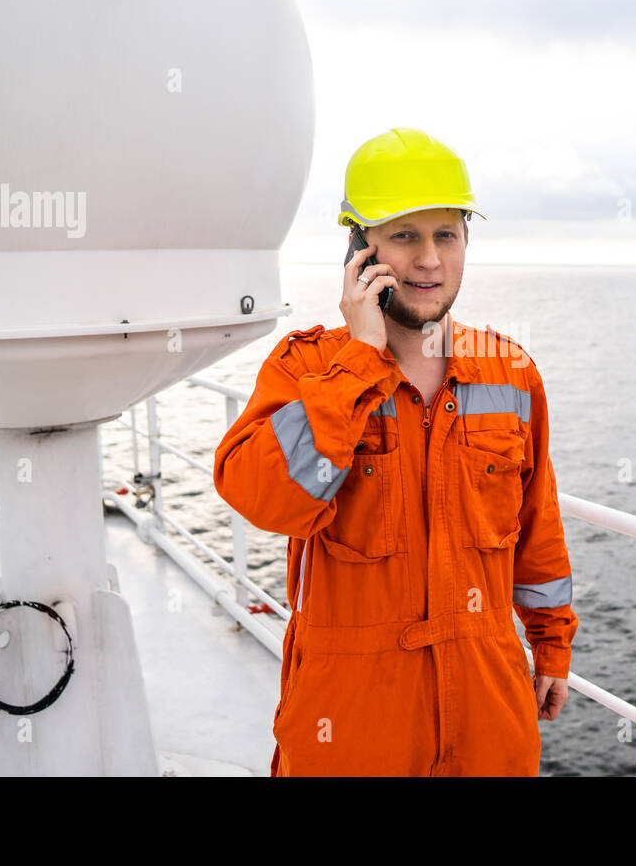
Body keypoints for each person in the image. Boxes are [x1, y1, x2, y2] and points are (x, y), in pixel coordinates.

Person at [213, 127, 578, 776]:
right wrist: (360, 360)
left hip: (487, 716)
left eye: (447, 234)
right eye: (405, 235)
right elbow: (261, 498)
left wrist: (550, 644)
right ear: (360, 249)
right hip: (354, 724)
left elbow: (537, 528)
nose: (430, 259)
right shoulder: (311, 368)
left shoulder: (511, 372)